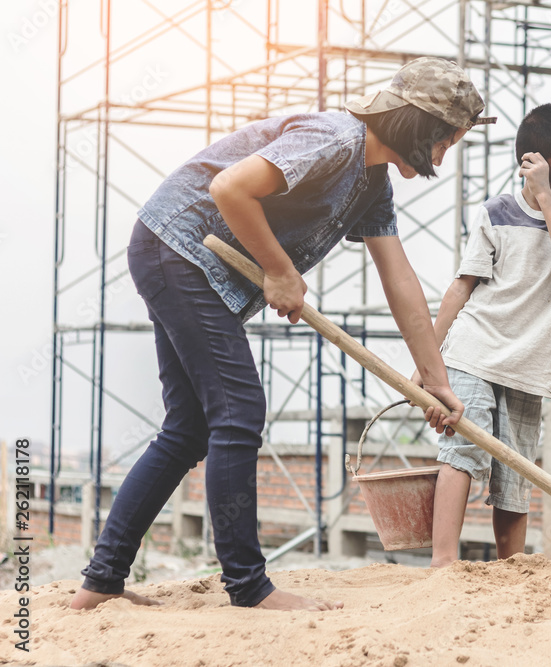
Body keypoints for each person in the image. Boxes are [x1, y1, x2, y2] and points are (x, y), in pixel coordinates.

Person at [70, 57, 488, 612]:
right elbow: (230, 187)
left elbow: (401, 282)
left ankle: (100, 583)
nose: (442, 155)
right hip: (180, 248)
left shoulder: (373, 183)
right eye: (446, 141)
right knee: (238, 410)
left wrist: (434, 380)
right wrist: (281, 271)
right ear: (421, 124)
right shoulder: (335, 141)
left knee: (189, 428)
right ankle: (248, 587)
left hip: (180, 257)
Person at [413, 103, 551, 567]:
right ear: (532, 164)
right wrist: (426, 360)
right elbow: (463, 286)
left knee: (515, 471)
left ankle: (510, 567)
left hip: (528, 365)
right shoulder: (495, 212)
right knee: (462, 449)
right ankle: (442, 562)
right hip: (475, 351)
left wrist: (548, 198)